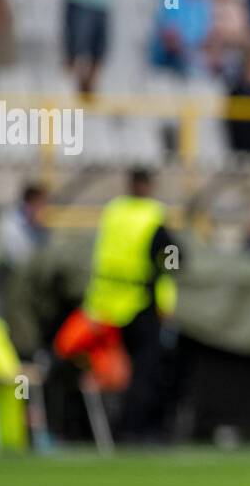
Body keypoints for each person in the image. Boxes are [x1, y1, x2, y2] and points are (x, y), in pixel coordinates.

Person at [60, 169, 180, 441]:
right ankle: (132, 429)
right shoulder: (152, 215)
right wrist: (169, 278)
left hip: (103, 304)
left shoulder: (113, 212)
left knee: (102, 368)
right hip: (138, 303)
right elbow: (171, 253)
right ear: (149, 186)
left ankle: (87, 430)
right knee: (144, 370)